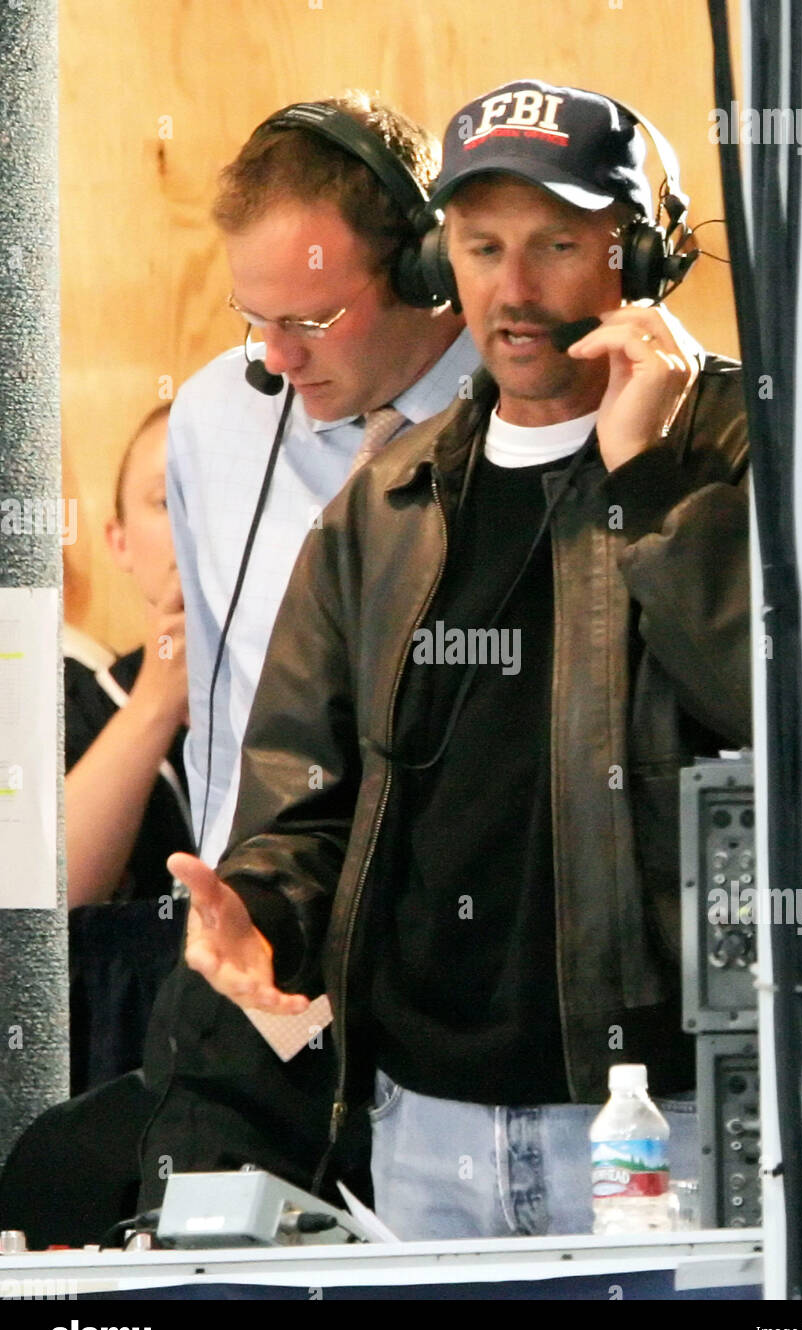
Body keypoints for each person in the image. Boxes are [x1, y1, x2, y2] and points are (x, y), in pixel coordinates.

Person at [170, 78, 752, 1239]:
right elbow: (310, 795)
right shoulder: (384, 502)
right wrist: (262, 910)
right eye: (481, 246)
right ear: (443, 264)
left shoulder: (741, 452)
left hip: (659, 1119)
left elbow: (786, 705)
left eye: (557, 245)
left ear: (637, 260)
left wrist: (646, 489)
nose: (515, 287)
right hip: (424, 1126)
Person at [137, 91, 478, 1209]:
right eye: (254, 317)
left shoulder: (518, 413)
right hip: (247, 959)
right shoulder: (210, 417)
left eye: (314, 322)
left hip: (442, 987)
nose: (275, 357)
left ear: (427, 274)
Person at [65, 402, 192, 1091]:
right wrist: (159, 700)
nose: (197, 521)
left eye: (217, 490)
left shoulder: (331, 701)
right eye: (167, 498)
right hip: (116, 1097)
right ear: (117, 542)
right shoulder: (71, 703)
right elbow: (42, 902)